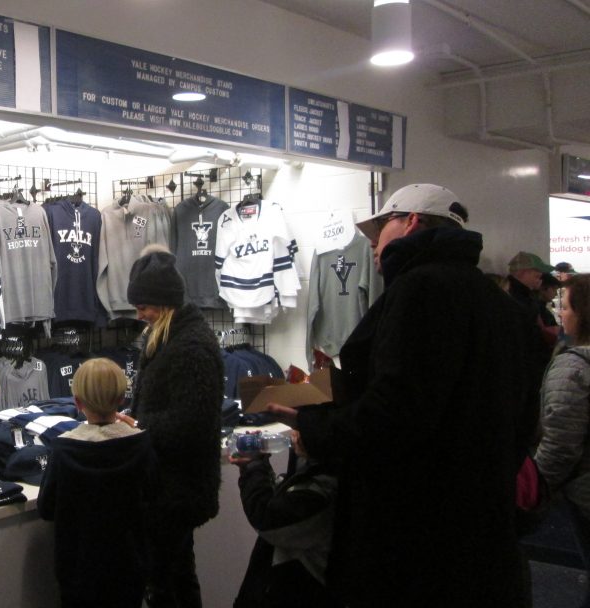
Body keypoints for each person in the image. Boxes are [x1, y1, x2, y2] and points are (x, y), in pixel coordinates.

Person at [267, 184, 541, 607]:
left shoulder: (419, 291)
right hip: (484, 529)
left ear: (411, 221)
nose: (373, 244)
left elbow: (394, 415)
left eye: (380, 228)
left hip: (414, 538)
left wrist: (312, 422)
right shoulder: (501, 305)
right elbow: (520, 419)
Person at [116, 243, 224, 608]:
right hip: (170, 487)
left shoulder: (191, 346)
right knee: (176, 577)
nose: (139, 314)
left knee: (168, 584)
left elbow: (192, 424)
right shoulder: (171, 336)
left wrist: (139, 425)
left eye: (143, 306)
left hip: (177, 490)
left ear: (163, 303)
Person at [38, 357, 157, 608]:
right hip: (129, 567)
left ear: (77, 403)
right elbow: (154, 497)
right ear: (122, 400)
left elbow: (47, 508)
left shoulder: (63, 448)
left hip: (78, 570)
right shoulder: (140, 444)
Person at [229, 429, 340, 608]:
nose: (295, 435)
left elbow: (268, 518)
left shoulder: (323, 492)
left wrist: (254, 467)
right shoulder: (316, 478)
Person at [535, 273, 590, 608]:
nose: (560, 313)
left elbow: (560, 444)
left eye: (565, 306)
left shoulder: (572, 368)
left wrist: (535, 488)